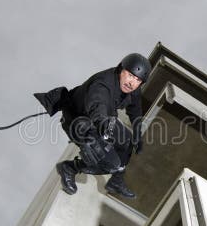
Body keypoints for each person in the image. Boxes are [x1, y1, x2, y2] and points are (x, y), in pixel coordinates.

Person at [33, 53, 151, 199]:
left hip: (104, 119)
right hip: (78, 121)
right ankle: (70, 168)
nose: (131, 82)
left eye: (137, 79)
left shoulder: (133, 89)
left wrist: (138, 133)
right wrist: (103, 124)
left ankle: (116, 180)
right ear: (121, 69)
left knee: (127, 141)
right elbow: (97, 104)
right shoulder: (102, 84)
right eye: (130, 75)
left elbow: (135, 109)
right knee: (109, 161)